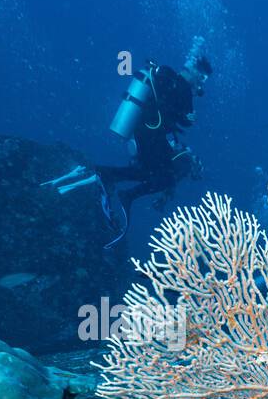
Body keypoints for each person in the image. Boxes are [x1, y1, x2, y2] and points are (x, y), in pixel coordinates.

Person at [44, 40, 212, 248]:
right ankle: (123, 192)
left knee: (151, 172)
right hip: (151, 134)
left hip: (144, 131)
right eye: (202, 78)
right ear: (195, 71)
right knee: (164, 176)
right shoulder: (183, 88)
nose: (201, 84)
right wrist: (189, 117)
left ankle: (105, 176)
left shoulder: (168, 77)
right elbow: (183, 118)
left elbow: (168, 110)